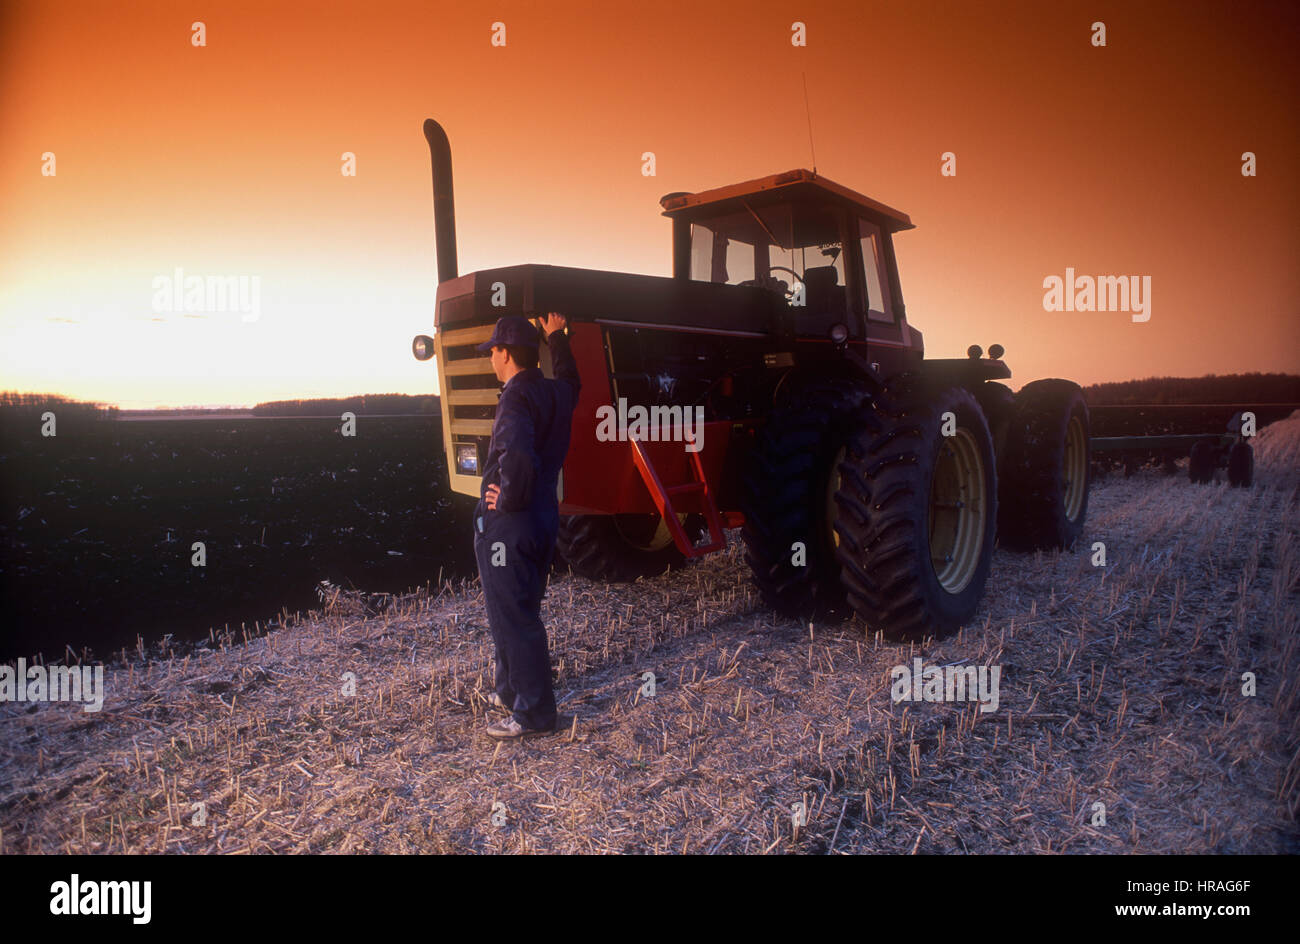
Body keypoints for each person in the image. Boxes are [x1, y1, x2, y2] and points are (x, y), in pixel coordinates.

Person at [472, 311, 580, 739]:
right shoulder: (556, 392)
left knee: (513, 616)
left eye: (493, 351)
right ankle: (511, 691)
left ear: (506, 354)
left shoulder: (514, 398)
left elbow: (515, 455)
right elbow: (574, 383)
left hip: (512, 524)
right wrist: (559, 338)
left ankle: (534, 714)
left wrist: (508, 500)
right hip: (543, 518)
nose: (490, 359)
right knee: (522, 610)